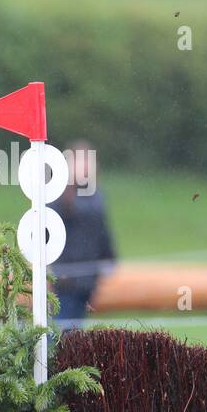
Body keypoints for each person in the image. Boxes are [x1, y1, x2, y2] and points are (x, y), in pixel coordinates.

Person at [50, 140, 116, 329]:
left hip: (88, 278)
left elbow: (102, 231)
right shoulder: (58, 195)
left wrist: (109, 258)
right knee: (62, 331)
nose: (85, 166)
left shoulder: (96, 195)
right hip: (64, 278)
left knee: (74, 331)